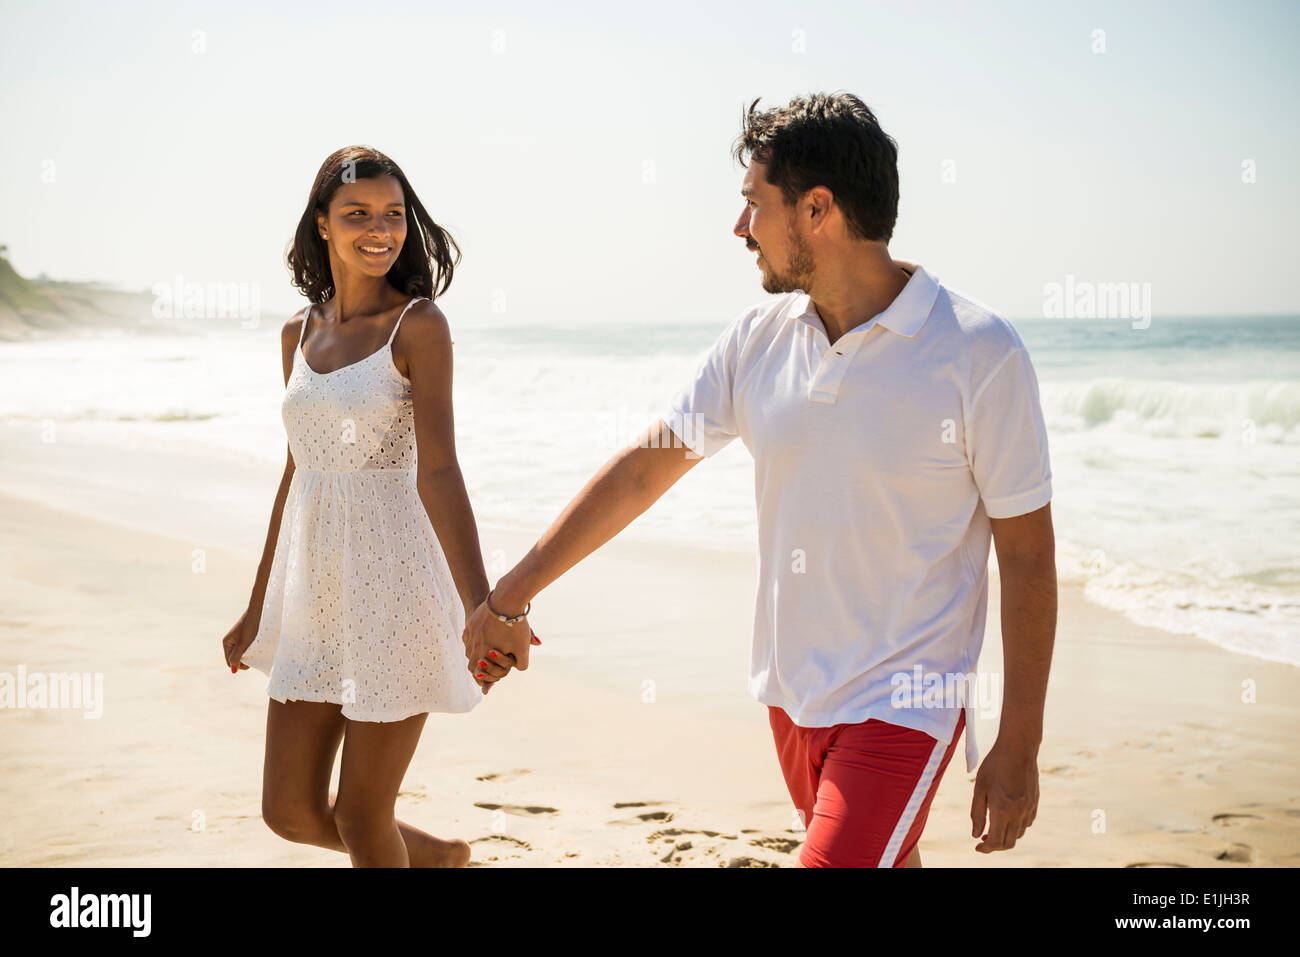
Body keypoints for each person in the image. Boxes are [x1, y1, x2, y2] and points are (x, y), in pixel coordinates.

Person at [466, 93, 1057, 867]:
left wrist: (1019, 740)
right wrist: (508, 592)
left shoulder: (979, 351)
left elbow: (1027, 555)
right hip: (790, 693)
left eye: (753, 205)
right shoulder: (757, 340)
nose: (739, 228)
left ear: (818, 209)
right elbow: (645, 471)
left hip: (903, 707)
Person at [220, 146, 534, 867]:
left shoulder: (418, 325)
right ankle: (441, 858)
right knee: (290, 810)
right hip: (317, 593)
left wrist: (483, 604)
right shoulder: (296, 333)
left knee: (363, 816)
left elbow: (442, 471)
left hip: (396, 587)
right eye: (357, 213)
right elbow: (297, 470)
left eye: (393, 214)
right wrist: (258, 604)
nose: (379, 228)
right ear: (322, 225)